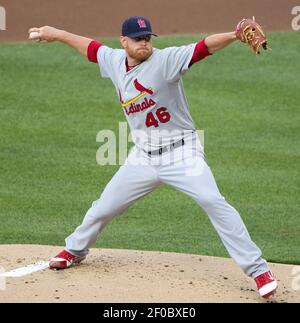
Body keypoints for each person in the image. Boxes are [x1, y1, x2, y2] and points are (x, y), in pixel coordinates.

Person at [28, 16, 277, 299]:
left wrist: (234, 35)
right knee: (104, 207)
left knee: (212, 201)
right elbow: (91, 48)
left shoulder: (165, 61)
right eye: (137, 38)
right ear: (124, 42)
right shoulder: (113, 61)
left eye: (147, 37)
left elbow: (202, 48)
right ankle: (75, 249)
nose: (144, 42)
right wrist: (57, 33)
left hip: (182, 153)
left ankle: (259, 270)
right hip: (144, 157)